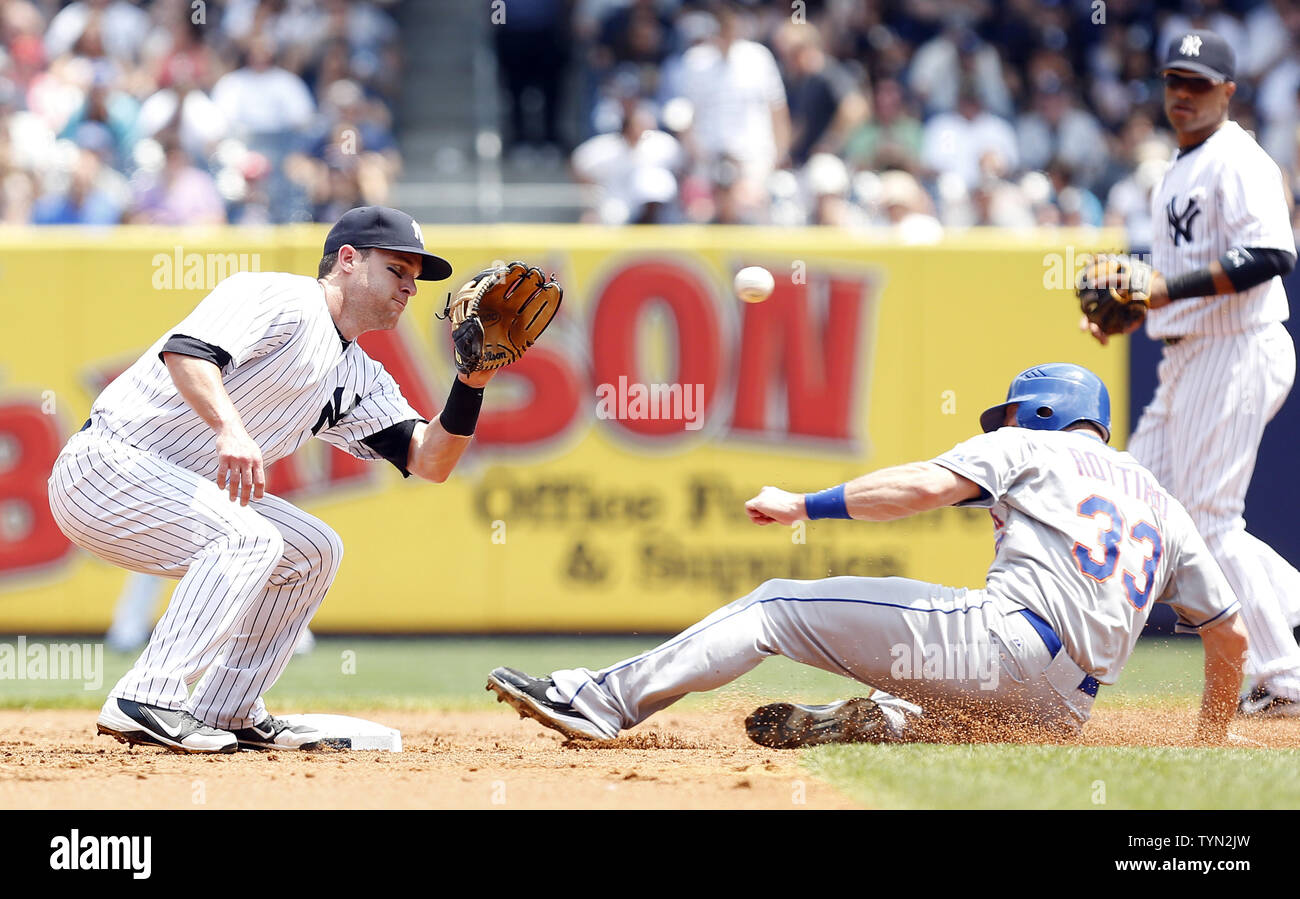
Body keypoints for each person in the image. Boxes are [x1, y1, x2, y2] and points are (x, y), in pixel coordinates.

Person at [488, 364, 1248, 747]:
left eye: (1014, 412)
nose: (1006, 422)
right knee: (956, 716)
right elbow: (1229, 634)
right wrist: (1209, 741)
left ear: (1044, 412)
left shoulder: (1028, 445)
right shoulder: (1161, 502)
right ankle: (866, 720)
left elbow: (920, 486)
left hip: (1006, 642)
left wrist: (804, 505)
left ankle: (596, 701)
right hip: (1063, 711)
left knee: (775, 604)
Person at [49, 206, 493, 753]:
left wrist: (471, 382)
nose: (409, 288)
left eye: (414, 279)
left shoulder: (358, 374)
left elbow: (431, 461)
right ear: (349, 260)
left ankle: (227, 708)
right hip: (106, 467)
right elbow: (186, 355)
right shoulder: (279, 298)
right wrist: (230, 431)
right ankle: (145, 696)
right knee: (250, 536)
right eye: (397, 270)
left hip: (178, 491)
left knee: (313, 550)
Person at [1083, 30, 1300, 717]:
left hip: (1236, 346)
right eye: (1175, 80)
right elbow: (1163, 286)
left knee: (1208, 520)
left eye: (1199, 84)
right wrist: (1127, 313)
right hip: (1186, 356)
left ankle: (1287, 678)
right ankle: (1288, 606)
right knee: (1134, 502)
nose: (1182, 94)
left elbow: (1271, 255)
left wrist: (1164, 293)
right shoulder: (1175, 168)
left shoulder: (1239, 160)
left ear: (1228, 93)